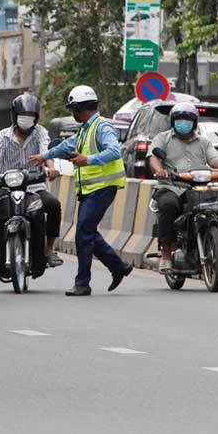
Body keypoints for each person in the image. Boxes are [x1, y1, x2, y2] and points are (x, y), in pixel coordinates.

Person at [32, 85, 134, 296]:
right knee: (87, 232)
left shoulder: (102, 126)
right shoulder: (86, 130)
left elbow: (114, 151)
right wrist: (44, 156)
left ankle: (83, 283)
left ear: (79, 109)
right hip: (91, 189)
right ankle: (118, 266)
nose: (73, 113)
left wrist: (88, 160)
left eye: (73, 109)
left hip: (103, 187)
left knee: (83, 233)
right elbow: (66, 146)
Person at [148, 102, 218, 273]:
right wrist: (159, 170)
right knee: (168, 205)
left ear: (194, 123)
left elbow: (215, 159)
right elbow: (153, 157)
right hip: (171, 186)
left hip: (198, 189)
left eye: (187, 120)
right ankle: (166, 256)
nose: (183, 123)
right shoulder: (162, 138)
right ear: (173, 121)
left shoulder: (203, 142)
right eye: (179, 120)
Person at [0, 94, 64, 272]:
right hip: (7, 188)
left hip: (34, 188)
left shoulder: (40, 133)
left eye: (31, 115)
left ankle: (48, 250)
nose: (27, 118)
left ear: (36, 117)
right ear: (15, 115)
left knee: (53, 205)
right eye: (23, 114)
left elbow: (46, 152)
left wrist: (51, 168)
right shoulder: (2, 137)